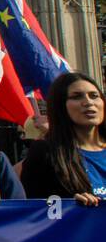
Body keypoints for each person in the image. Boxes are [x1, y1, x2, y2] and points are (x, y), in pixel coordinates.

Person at [20, 71, 105, 206]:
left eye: (94, 96)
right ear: (61, 106)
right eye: (76, 97)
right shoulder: (45, 152)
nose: (88, 102)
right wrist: (69, 204)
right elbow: (33, 210)